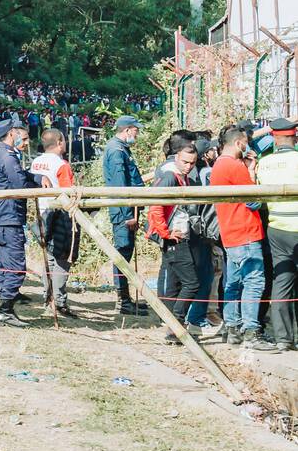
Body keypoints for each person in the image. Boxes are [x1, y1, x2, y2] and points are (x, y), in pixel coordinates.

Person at [145, 137, 214, 345]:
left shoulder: (183, 178)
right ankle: (177, 323)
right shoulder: (170, 177)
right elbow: (155, 208)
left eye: (192, 163)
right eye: (185, 162)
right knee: (192, 283)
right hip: (175, 239)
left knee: (174, 286)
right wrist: (165, 233)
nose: (188, 166)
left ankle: (171, 328)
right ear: (177, 158)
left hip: (180, 236)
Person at [214, 125, 275, 350]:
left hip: (230, 232)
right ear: (240, 143)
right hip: (246, 231)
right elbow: (254, 200)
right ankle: (251, 330)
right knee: (254, 281)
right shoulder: (234, 165)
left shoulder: (219, 165)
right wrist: (251, 174)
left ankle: (232, 326)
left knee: (234, 283)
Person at [0, 117, 38, 327]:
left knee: (4, 263)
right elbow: (19, 183)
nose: (26, 143)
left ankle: (6, 300)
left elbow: (22, 176)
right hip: (8, 217)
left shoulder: (0, 154)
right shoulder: (8, 157)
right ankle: (5, 310)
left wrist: (36, 177)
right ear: (12, 135)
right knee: (16, 264)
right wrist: (37, 185)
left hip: (1, 217)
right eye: (24, 138)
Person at [258, 117, 298, 352]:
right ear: (294, 137)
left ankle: (283, 338)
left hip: (277, 228)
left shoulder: (264, 163)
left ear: (273, 137)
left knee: (282, 282)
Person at [29, 128, 78, 317]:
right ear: (59, 142)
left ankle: (47, 296)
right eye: (64, 141)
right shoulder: (61, 164)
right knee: (63, 258)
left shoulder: (36, 162)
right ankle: (58, 301)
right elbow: (68, 192)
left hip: (42, 213)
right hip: (60, 214)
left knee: (48, 257)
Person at [103, 114, 146, 315]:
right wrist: (129, 213)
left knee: (126, 254)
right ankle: (123, 301)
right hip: (123, 212)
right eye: (136, 130)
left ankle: (126, 298)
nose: (137, 134)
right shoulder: (117, 150)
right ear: (127, 130)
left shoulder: (121, 149)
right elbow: (121, 185)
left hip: (127, 209)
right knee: (122, 253)